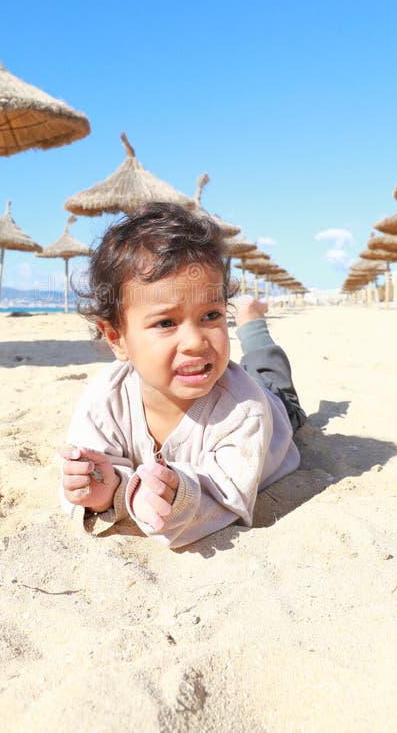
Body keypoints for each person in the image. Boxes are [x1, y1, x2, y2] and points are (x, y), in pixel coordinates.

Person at [59, 202, 305, 549]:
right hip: (238, 388)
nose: (195, 341)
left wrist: (179, 499)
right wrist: (106, 491)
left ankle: (251, 324)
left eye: (211, 315)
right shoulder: (105, 398)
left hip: (276, 415)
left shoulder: (245, 410)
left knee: (273, 383)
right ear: (116, 339)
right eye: (166, 323)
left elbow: (226, 498)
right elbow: (95, 472)